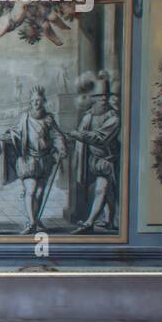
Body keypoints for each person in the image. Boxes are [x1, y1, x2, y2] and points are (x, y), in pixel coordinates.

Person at [0, 86, 68, 234]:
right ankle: (31, 223)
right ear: (30, 102)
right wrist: (5, 137)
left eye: (38, 100)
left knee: (40, 192)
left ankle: (35, 220)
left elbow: (57, 136)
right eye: (33, 101)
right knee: (30, 191)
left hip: (45, 160)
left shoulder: (49, 119)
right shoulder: (24, 117)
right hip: (27, 160)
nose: (36, 103)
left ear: (43, 101)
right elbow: (14, 133)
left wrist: (61, 147)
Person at [69, 75, 121, 234]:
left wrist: (79, 135)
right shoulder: (88, 117)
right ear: (94, 99)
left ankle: (89, 223)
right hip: (95, 161)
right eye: (100, 96)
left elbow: (100, 139)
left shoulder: (114, 118)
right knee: (109, 193)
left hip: (109, 161)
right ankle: (110, 221)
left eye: (106, 96)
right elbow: (80, 138)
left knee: (102, 189)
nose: (104, 99)